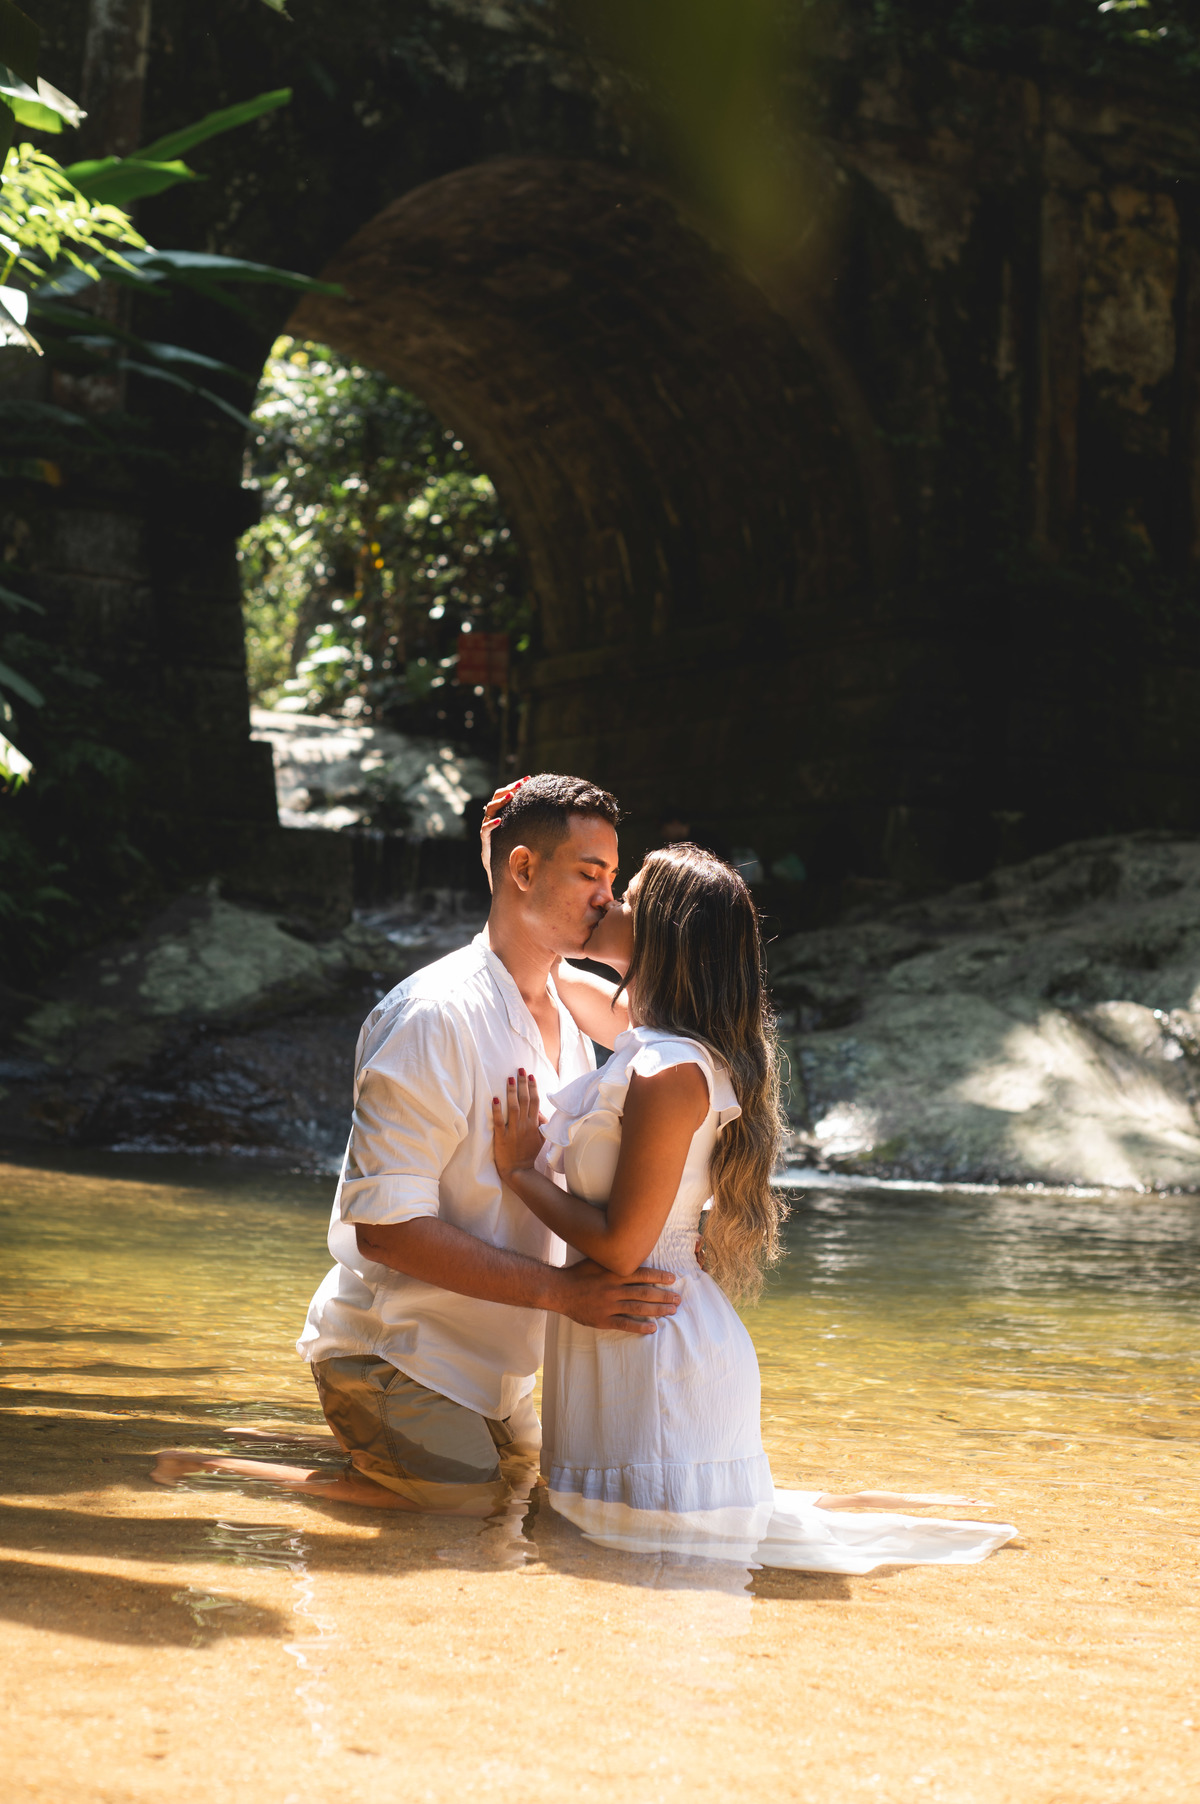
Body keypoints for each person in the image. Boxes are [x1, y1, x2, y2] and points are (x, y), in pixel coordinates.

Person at [151, 773, 683, 1514]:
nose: (609, 898)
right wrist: (565, 1295)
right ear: (522, 869)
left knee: (553, 1506)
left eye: (614, 879)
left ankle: (356, 1455)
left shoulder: (570, 1009)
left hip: (499, 1368)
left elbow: (678, 1028)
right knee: (461, 1514)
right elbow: (386, 1230)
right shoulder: (434, 1017)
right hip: (397, 1348)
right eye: (591, 875)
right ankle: (215, 1467)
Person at [491, 841, 1018, 1573]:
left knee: (664, 1573)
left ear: (664, 933)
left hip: (651, 1332)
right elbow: (550, 972)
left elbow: (619, 1245)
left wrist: (520, 1172)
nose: (606, 901)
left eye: (628, 897)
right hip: (629, 1323)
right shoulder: (659, 1042)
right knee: (627, 1560)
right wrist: (507, 867)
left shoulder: (670, 1069)